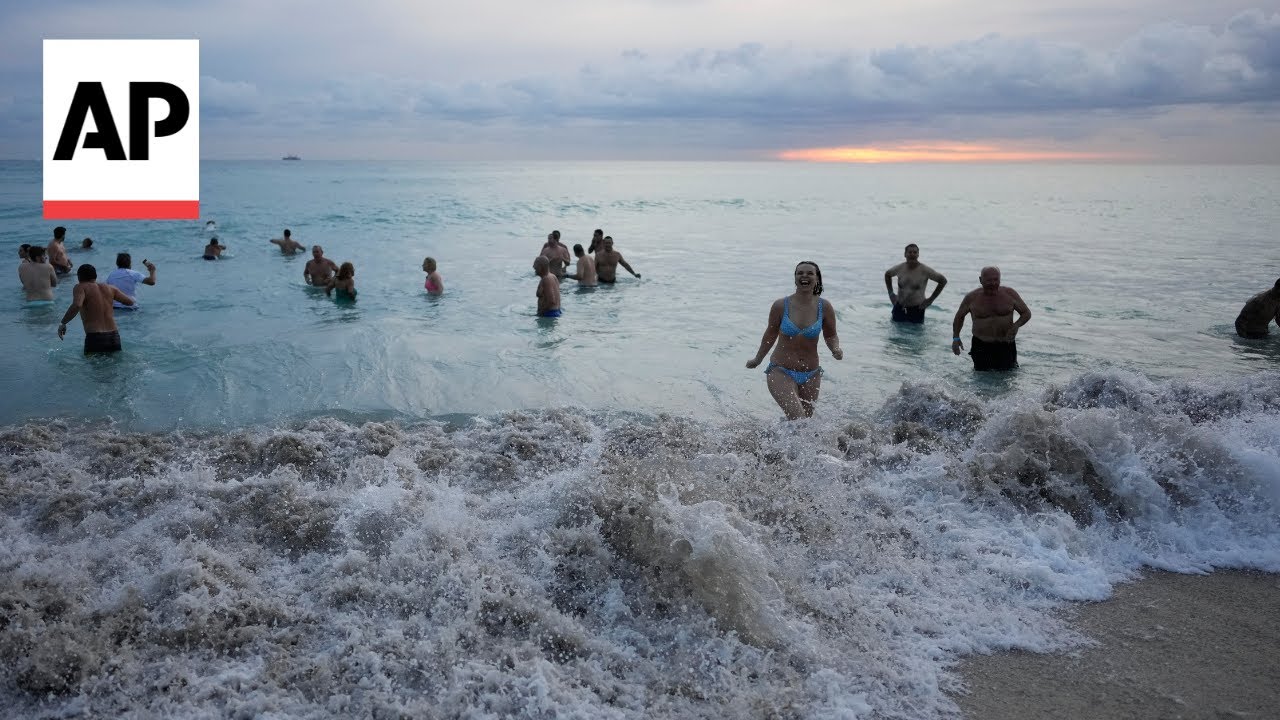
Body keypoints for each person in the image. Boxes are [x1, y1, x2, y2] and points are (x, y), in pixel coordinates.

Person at [746, 261, 843, 420]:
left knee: (804, 425)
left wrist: (835, 349)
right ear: (795, 278)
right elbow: (770, 335)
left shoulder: (824, 307)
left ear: (817, 278)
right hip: (780, 370)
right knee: (798, 418)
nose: (804, 276)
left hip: (811, 374)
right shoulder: (780, 305)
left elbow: (831, 335)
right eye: (800, 273)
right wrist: (757, 359)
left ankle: (777, 442)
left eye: (810, 273)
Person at [952, 266, 1031, 371]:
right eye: (989, 280)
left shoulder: (1010, 294)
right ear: (980, 280)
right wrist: (956, 338)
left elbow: (1026, 313)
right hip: (981, 345)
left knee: (1008, 378)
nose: (993, 283)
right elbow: (959, 317)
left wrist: (1016, 325)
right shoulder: (972, 298)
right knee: (981, 380)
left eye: (996, 279)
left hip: (1006, 345)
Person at [57, 264, 134, 354]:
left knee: (92, 367)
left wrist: (63, 323)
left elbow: (77, 305)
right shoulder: (110, 288)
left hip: (95, 337)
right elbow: (130, 302)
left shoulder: (80, 287)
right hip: (114, 336)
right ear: (95, 276)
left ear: (79, 277)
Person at [884, 243, 947, 323]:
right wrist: (891, 294)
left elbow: (943, 281)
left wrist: (930, 300)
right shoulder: (899, 268)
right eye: (910, 252)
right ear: (905, 254)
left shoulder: (925, 270)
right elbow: (887, 275)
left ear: (918, 255)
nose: (912, 254)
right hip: (899, 308)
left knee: (916, 335)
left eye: (915, 252)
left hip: (917, 310)